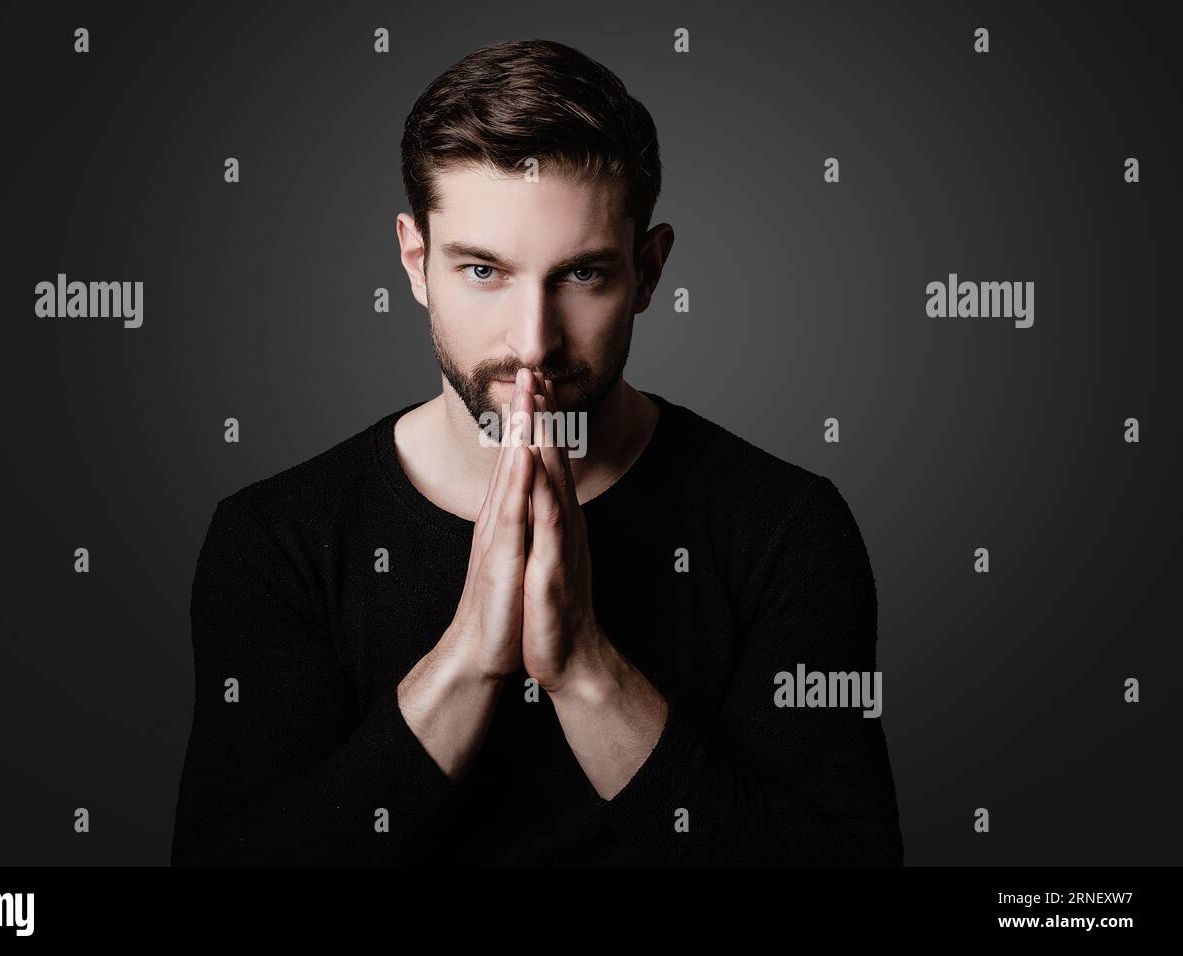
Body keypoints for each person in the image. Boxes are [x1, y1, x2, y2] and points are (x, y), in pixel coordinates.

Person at [170, 38, 903, 866]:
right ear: (417, 262)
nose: (533, 342)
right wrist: (468, 663)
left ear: (650, 270)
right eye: (483, 270)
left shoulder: (785, 529)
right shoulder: (274, 540)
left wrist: (585, 671)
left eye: (583, 275)